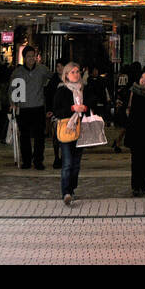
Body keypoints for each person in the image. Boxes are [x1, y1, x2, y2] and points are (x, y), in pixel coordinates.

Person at [52, 62, 91, 206]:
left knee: (76, 164)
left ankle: (72, 188)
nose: (76, 74)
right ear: (66, 75)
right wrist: (73, 108)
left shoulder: (83, 89)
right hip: (67, 129)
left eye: (77, 71)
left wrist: (84, 108)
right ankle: (66, 192)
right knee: (67, 163)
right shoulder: (62, 90)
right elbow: (57, 111)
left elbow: (92, 105)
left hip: (81, 129)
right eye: (72, 72)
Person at [11, 46, 51, 170]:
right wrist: (13, 103)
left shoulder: (42, 70)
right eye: (28, 56)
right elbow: (13, 90)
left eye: (33, 56)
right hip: (23, 108)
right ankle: (27, 160)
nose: (31, 59)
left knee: (39, 136)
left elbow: (53, 80)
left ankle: (38, 160)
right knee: (24, 136)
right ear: (24, 58)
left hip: (38, 107)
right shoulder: (18, 72)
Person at [48, 57, 66, 169]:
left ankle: (64, 157)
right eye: (57, 66)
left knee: (66, 136)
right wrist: (49, 110)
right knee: (56, 135)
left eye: (61, 66)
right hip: (56, 111)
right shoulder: (53, 80)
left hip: (68, 111)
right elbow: (49, 95)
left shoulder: (70, 79)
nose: (59, 68)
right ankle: (56, 157)